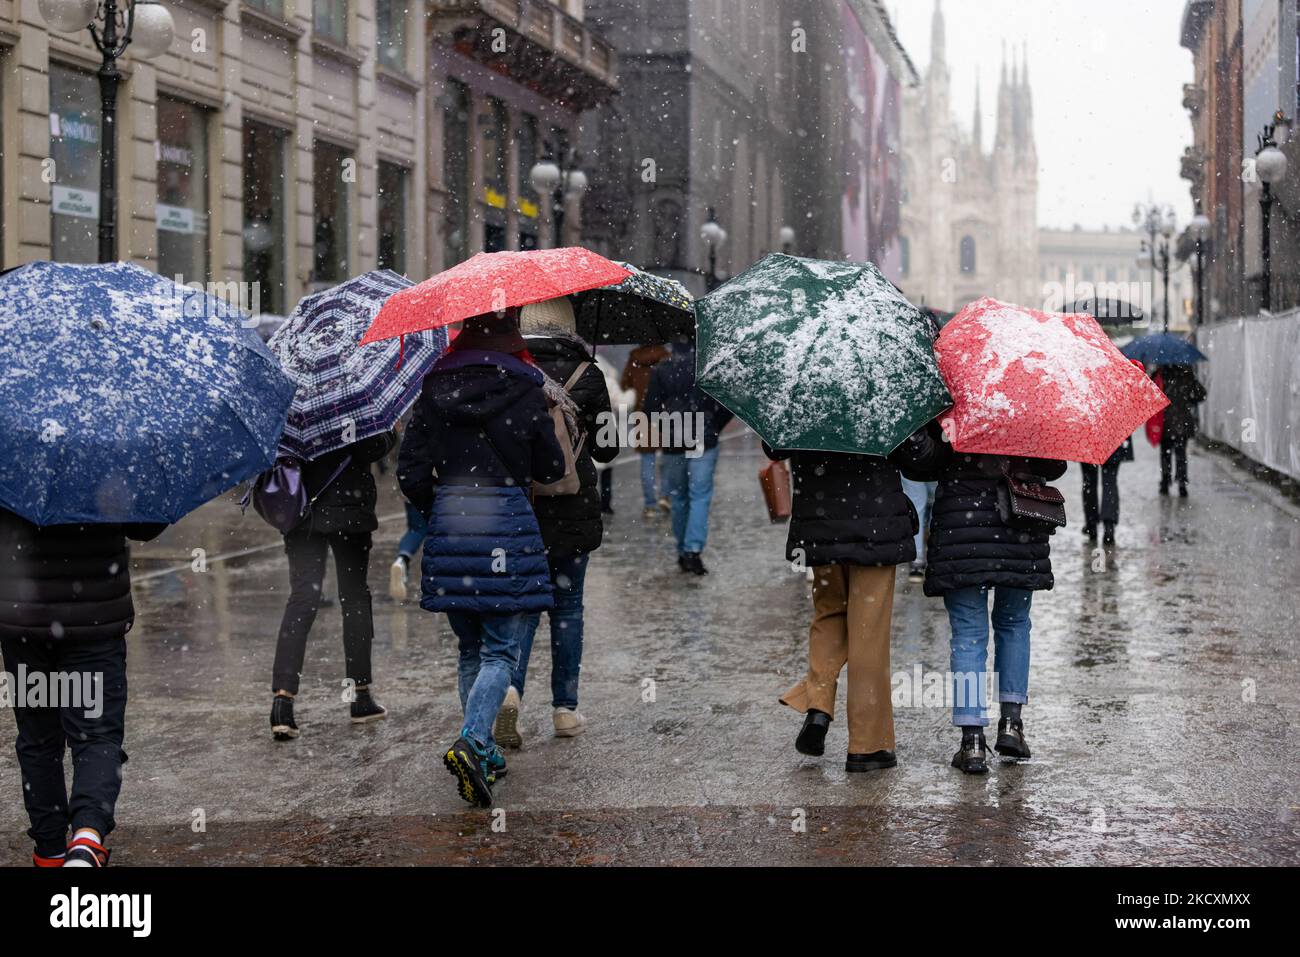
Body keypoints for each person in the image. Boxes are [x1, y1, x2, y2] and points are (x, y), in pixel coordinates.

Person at [398, 307, 565, 808]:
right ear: (512, 339)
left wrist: (442, 506)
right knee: (500, 651)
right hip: (505, 524)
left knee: (470, 648)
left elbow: (409, 473)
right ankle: (472, 740)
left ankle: (486, 752)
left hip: (451, 521)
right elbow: (553, 469)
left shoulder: (432, 390)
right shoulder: (527, 388)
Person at [764, 430, 939, 772]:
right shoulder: (883, 389)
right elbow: (920, 465)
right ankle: (867, 745)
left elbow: (773, 446)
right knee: (867, 631)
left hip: (818, 521)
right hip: (875, 523)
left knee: (828, 613)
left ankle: (818, 707)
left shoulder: (803, 385)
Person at [0, 508, 165, 867]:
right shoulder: (109, 451)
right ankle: (87, 837)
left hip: (24, 619)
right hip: (94, 622)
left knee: (39, 739)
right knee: (96, 736)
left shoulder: (9, 456)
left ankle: (49, 850)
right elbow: (145, 525)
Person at [492, 298, 618, 748]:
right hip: (572, 503)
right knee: (568, 608)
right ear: (568, 325)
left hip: (521, 505)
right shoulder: (589, 372)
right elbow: (607, 451)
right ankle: (565, 708)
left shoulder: (508, 368)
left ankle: (510, 691)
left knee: (523, 607)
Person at [914, 425, 1067, 774]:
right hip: (1019, 522)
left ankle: (972, 742)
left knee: (968, 634)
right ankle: (1011, 725)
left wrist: (926, 438)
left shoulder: (952, 392)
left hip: (961, 531)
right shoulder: (1030, 396)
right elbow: (1054, 466)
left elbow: (924, 465)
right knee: (1014, 624)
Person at [270, 430, 396, 740]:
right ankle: (360, 696)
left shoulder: (292, 400)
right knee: (354, 599)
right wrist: (391, 435)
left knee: (302, 599)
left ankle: (282, 703)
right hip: (349, 513)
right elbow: (371, 448)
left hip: (302, 512)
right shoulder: (351, 396)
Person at [642, 336, 734, 574]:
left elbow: (650, 410)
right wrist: (713, 426)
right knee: (700, 495)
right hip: (704, 438)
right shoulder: (708, 371)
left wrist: (668, 426)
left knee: (679, 496)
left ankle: (683, 550)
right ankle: (693, 549)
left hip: (675, 440)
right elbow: (726, 406)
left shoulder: (663, 370)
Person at [621, 344, 671, 519]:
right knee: (668, 458)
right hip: (665, 414)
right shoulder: (666, 358)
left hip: (643, 414)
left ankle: (650, 505)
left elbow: (624, 384)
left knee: (647, 460)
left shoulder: (634, 358)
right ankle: (665, 496)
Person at [1156, 364, 1206, 497]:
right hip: (1181, 423)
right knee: (1181, 454)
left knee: (1165, 454)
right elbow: (1201, 394)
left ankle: (1165, 482)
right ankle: (1182, 483)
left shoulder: (1160, 374)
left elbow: (1150, 394)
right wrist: (1189, 400)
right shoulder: (1186, 374)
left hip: (1165, 422)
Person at [1080, 436, 1133, 545]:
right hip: (1113, 437)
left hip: (1088, 437)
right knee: (1110, 481)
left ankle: (1091, 525)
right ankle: (1109, 526)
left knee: (1089, 482)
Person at [901, 477, 936, 581]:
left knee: (916, 504)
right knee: (937, 503)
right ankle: (934, 555)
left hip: (910, 463)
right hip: (939, 463)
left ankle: (916, 561)